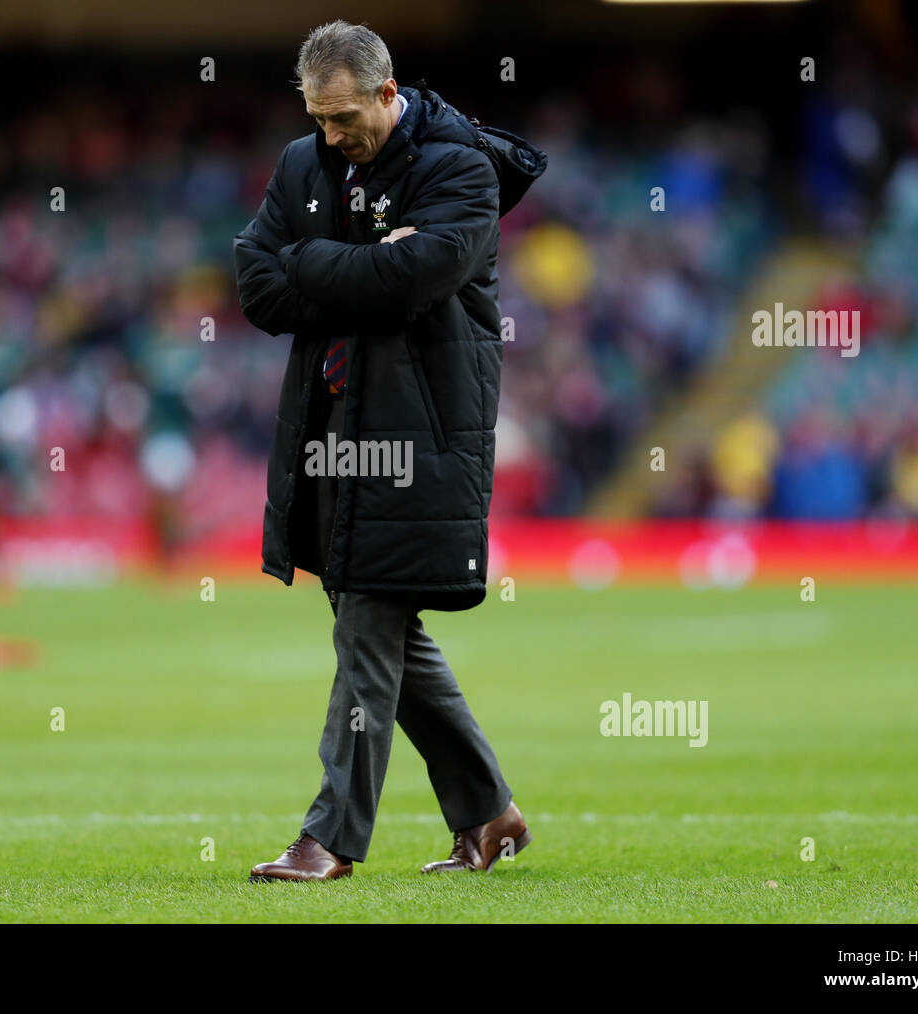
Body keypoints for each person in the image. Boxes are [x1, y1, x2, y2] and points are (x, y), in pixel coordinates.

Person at [233, 20, 546, 881]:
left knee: (368, 627)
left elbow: (411, 284)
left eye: (342, 118)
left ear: (386, 91)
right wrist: (355, 263)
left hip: (419, 434)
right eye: (317, 119)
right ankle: (489, 814)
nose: (330, 137)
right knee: (377, 628)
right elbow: (257, 281)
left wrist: (315, 266)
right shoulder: (306, 164)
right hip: (326, 428)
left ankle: (328, 838)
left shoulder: (460, 169)